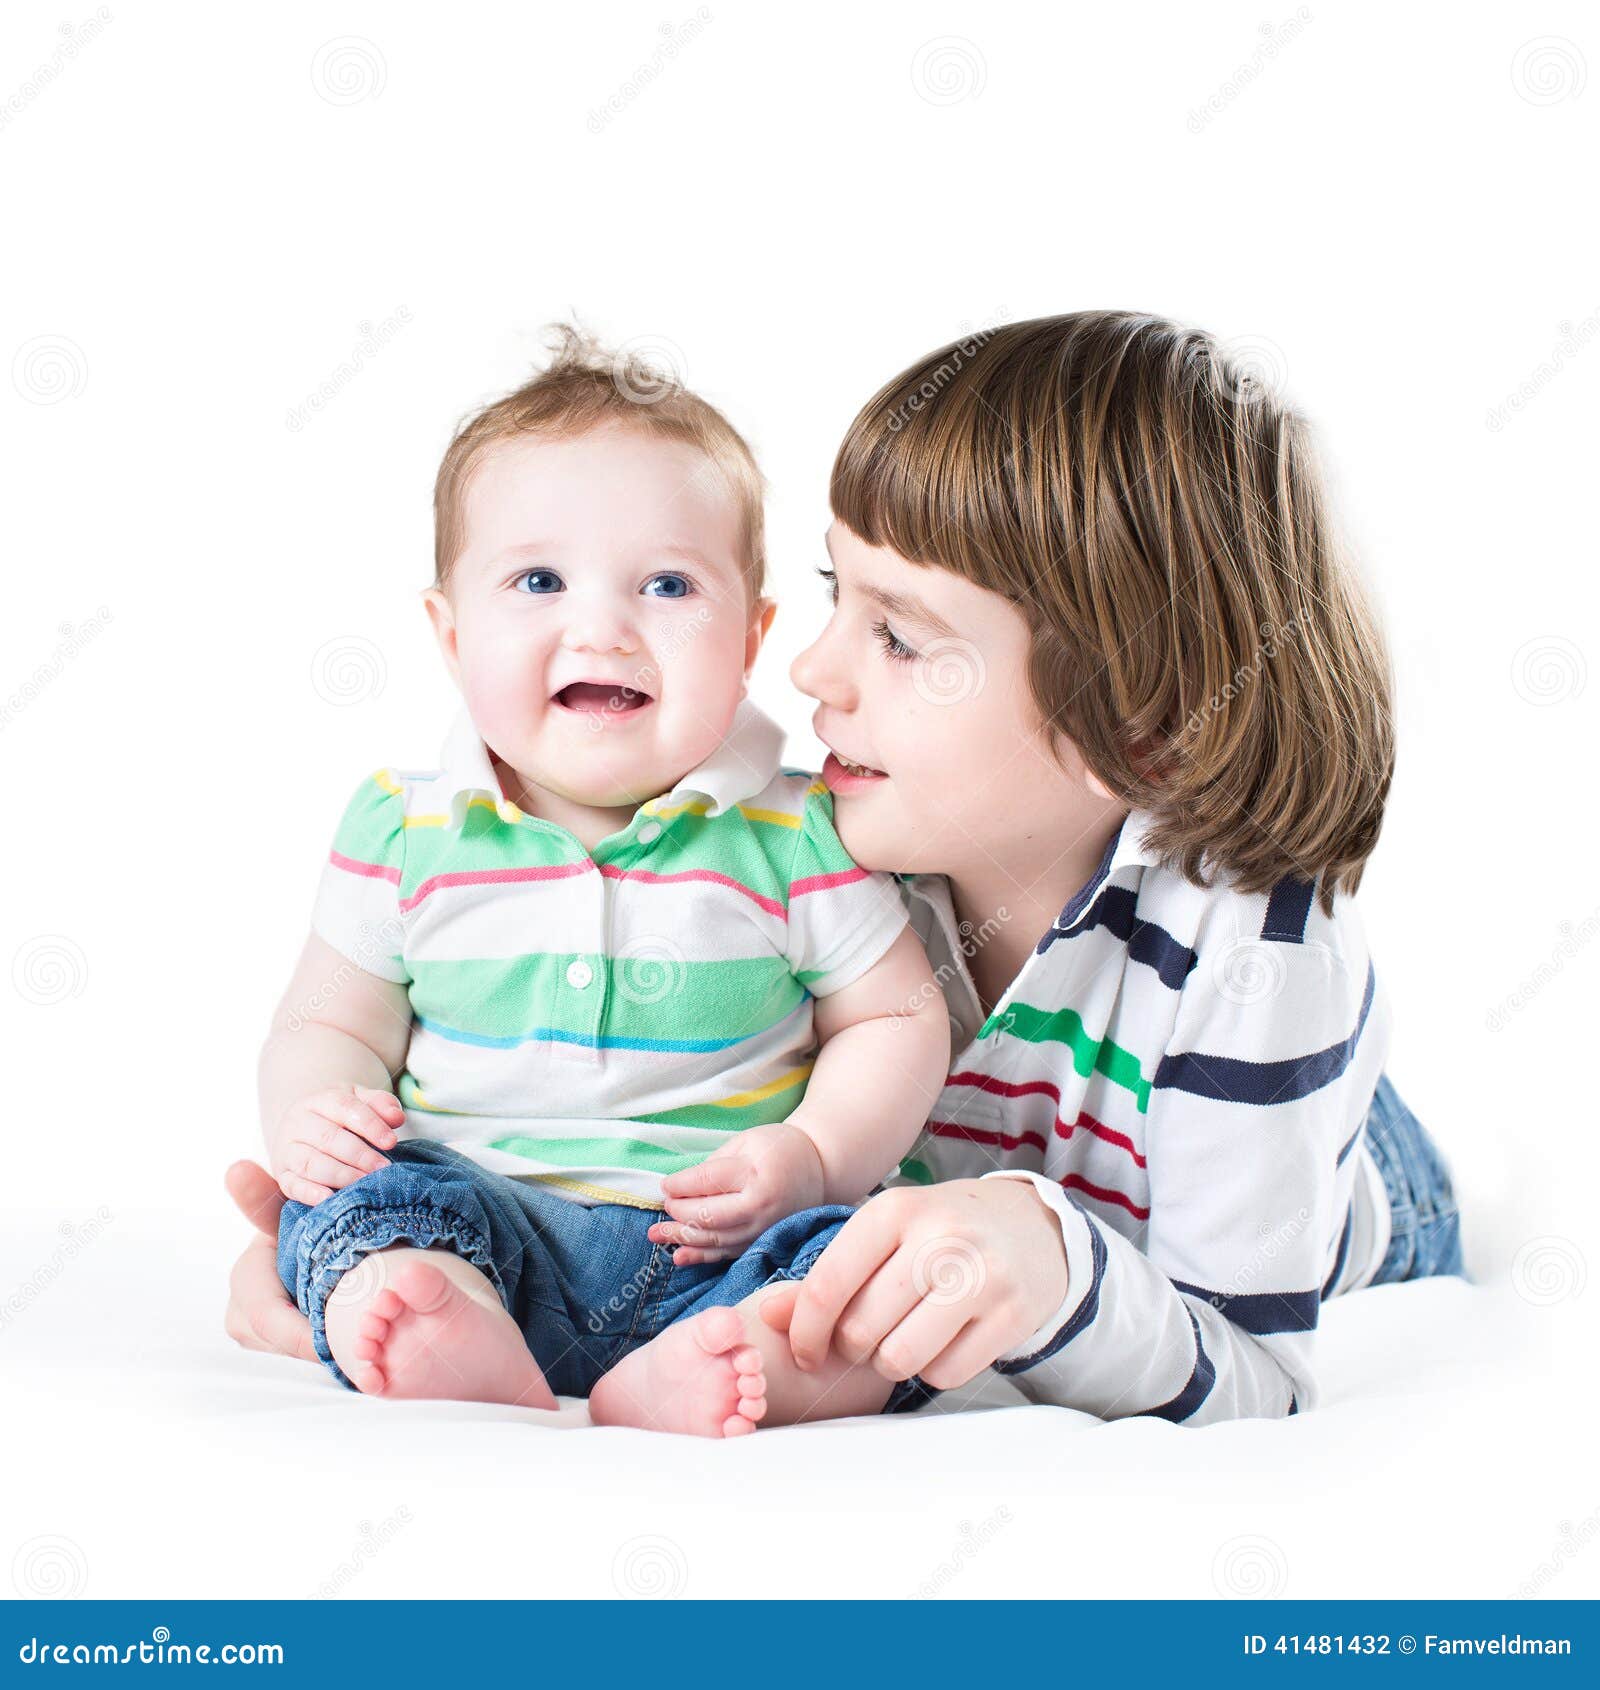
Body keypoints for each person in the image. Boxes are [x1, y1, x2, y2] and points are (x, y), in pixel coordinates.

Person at [231, 310, 1464, 1426]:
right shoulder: (835, 842)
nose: (812, 673)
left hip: (1324, 1181)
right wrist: (352, 1252)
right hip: (974, 1214)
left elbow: (1254, 1376)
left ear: (1130, 725)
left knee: (1344, 1190)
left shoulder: (1257, 964)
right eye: (836, 593)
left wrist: (1051, 1260)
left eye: (898, 632)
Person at [260, 328, 950, 1437]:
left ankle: (735, 1360)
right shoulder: (405, 825)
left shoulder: (793, 828)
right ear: (448, 631)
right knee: (361, 1209)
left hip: (719, 1247)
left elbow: (900, 1017)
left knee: (876, 1263)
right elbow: (323, 1021)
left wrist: (816, 1153)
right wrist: (315, 1114)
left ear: (748, 639)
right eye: (537, 580)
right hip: (478, 1218)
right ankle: (443, 1325)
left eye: (668, 585)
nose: (602, 626)